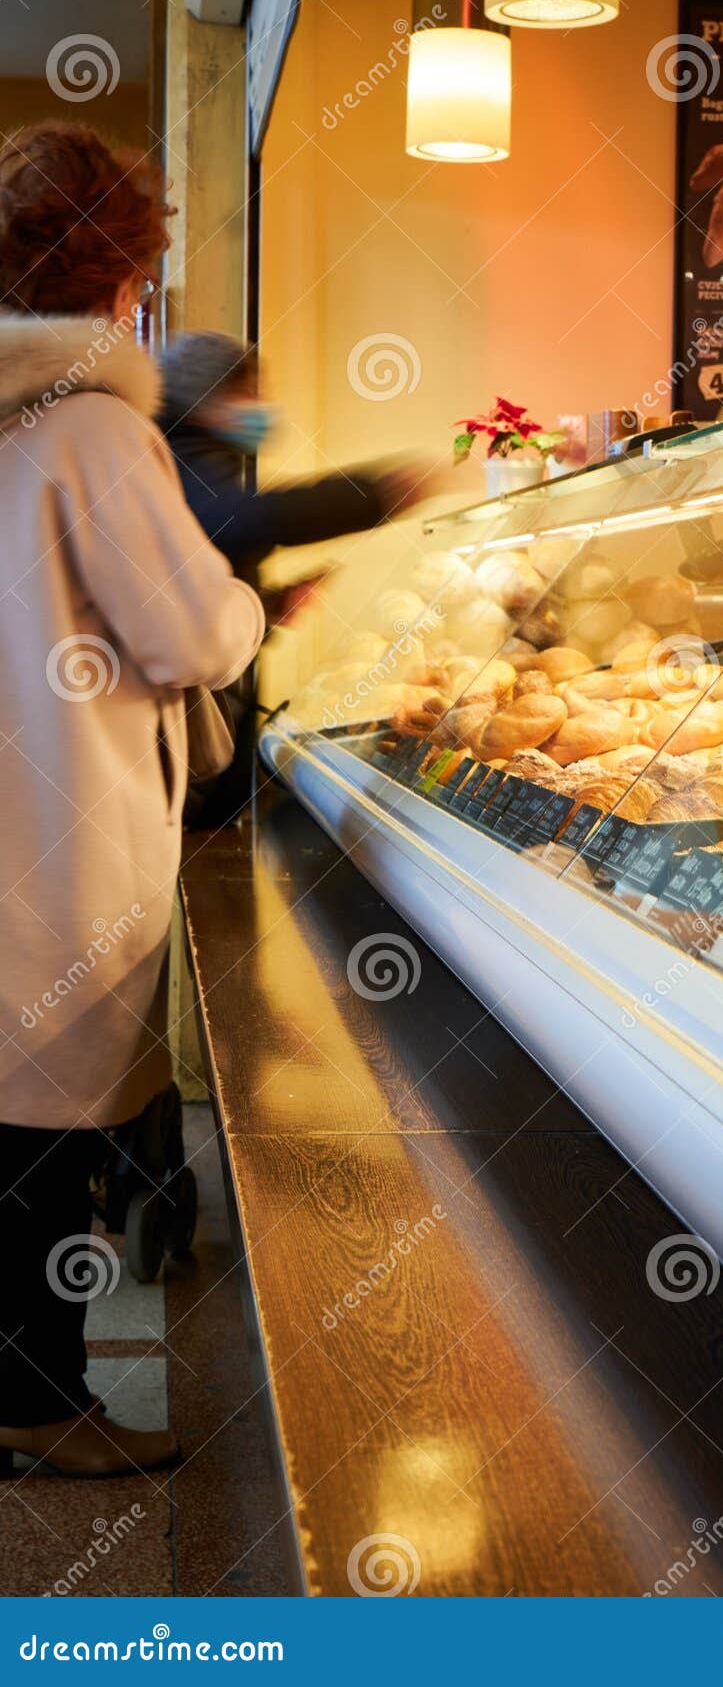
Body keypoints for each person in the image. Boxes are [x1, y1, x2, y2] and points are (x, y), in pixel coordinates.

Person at [0, 124, 264, 1476]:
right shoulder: (93, 427)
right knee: (37, 1148)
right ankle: (42, 1408)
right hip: (55, 839)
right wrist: (245, 600)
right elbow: (184, 637)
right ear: (121, 285)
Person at [158, 332, 433, 826]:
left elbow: (212, 568)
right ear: (209, 397)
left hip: (212, 697)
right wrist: (377, 493)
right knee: (200, 836)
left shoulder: (202, 455)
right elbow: (247, 520)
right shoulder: (184, 454)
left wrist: (269, 604)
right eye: (250, 392)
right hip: (190, 711)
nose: (262, 407)